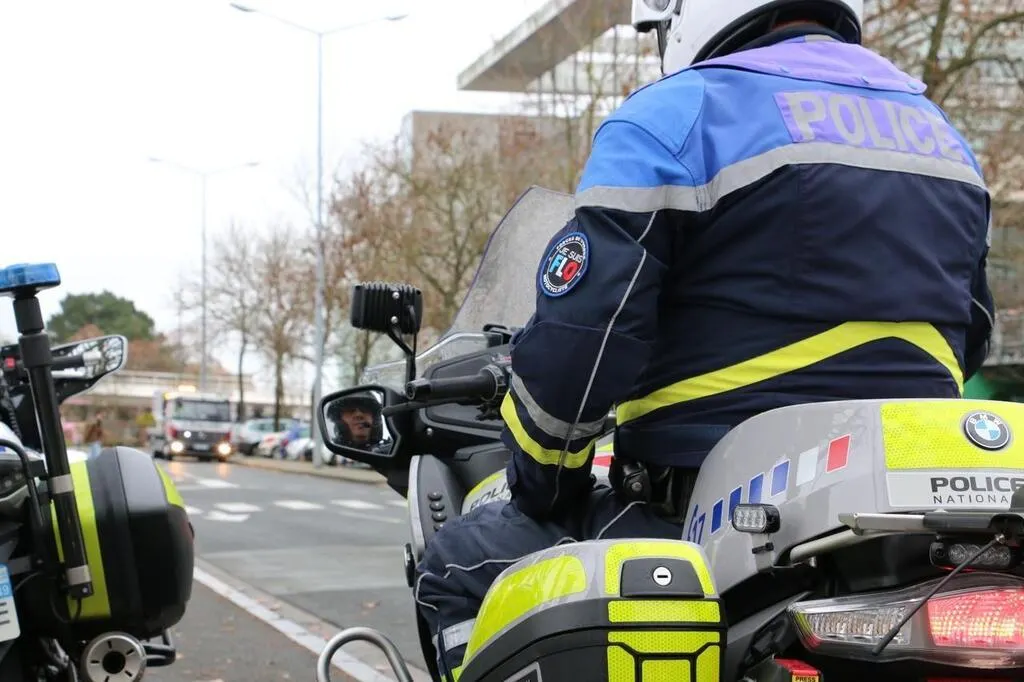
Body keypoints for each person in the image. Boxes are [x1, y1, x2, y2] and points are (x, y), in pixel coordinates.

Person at [414, 0, 994, 675]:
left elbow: (585, 340)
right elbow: (970, 331)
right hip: (906, 526)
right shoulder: (941, 137)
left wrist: (545, 484)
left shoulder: (676, 115)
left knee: (460, 564)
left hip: (708, 516)